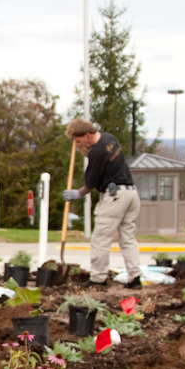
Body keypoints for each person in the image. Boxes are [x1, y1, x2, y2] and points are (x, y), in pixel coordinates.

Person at [63, 119, 142, 288]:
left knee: (100, 238)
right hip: (131, 194)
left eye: (78, 141)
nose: (77, 145)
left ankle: (98, 279)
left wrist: (77, 193)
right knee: (128, 238)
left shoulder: (96, 152)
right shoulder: (110, 138)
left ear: (88, 135)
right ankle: (135, 278)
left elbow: (90, 184)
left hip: (115, 197)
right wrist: (85, 149)